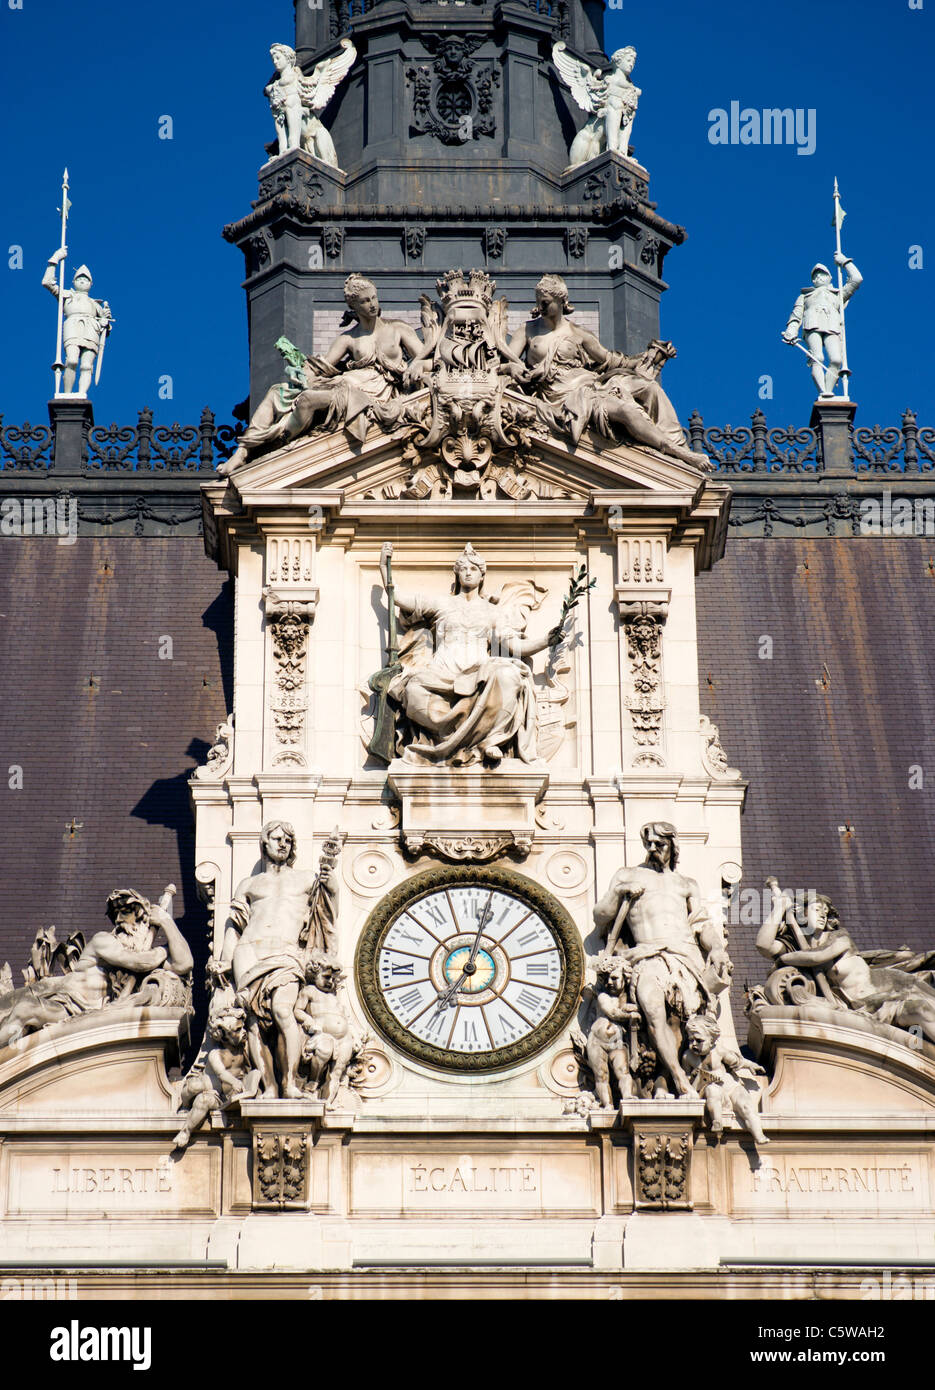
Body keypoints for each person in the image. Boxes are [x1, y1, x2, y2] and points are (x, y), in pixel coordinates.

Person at [380, 541, 559, 767]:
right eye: (463, 568)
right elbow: (398, 596)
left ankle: (490, 740)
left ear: (482, 576)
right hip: (442, 671)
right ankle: (455, 739)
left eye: (473, 569)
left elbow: (513, 646)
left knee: (508, 676)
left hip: (479, 674)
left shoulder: (493, 612)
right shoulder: (441, 603)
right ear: (456, 573)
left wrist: (546, 640)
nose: (468, 573)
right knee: (413, 691)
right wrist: (384, 568)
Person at [592, 823, 730, 1097]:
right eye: (649, 844)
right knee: (653, 1008)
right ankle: (680, 1080)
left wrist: (716, 948)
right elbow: (600, 915)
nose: (653, 849)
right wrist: (619, 892)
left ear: (673, 845)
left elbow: (701, 924)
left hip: (683, 954)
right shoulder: (627, 875)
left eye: (659, 844)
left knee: (681, 1019)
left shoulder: (686, 884)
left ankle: (667, 1080)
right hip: (646, 954)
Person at [509, 275, 703, 467]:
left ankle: (675, 450)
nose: (540, 308)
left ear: (561, 300)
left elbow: (611, 360)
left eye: (545, 302)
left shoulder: (578, 333)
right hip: (556, 396)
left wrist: (651, 355)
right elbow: (506, 361)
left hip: (587, 390)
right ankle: (674, 450)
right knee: (627, 409)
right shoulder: (527, 331)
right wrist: (512, 367)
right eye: (538, 302)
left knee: (642, 395)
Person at [216, 823, 339, 1099]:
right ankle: (269, 1086)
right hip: (249, 951)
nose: (282, 843)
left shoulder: (306, 879)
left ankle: (290, 1083)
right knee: (254, 1021)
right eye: (277, 838)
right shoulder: (248, 884)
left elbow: (328, 911)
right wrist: (224, 960)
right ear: (265, 843)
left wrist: (331, 884)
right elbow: (234, 927)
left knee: (284, 1011)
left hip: (286, 951)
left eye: (287, 839)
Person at [0, 889, 191, 1049]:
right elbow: (138, 962)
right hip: (62, 998)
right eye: (114, 914)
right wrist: (161, 952)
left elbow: (184, 964)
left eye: (125, 912)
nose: (118, 919)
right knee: (23, 1009)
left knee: (25, 1011)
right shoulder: (104, 940)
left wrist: (166, 921)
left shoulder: (145, 953)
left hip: (79, 1012)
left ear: (142, 915)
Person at [756, 886, 935, 1042]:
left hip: (893, 987)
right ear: (800, 914)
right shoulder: (796, 947)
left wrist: (783, 959)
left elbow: (816, 957)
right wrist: (779, 908)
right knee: (921, 1009)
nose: (822, 916)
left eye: (825, 913)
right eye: (816, 909)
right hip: (866, 1004)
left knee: (925, 1008)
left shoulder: (839, 937)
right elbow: (763, 945)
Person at [782, 254, 862, 397]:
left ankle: (829, 390)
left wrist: (844, 262)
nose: (818, 277)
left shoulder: (838, 295)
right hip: (812, 324)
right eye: (815, 276)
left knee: (836, 360)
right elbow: (796, 314)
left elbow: (857, 279)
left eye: (822, 274)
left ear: (830, 278)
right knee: (817, 357)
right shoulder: (805, 296)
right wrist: (791, 329)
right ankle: (823, 392)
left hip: (832, 325)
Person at [42, 250, 113, 395]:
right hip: (73, 327)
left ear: (91, 284)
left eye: (86, 279)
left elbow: (105, 326)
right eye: (79, 278)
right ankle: (67, 394)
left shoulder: (95, 304)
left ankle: (81, 393)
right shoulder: (67, 296)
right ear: (73, 282)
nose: (82, 281)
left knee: (87, 366)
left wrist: (105, 322)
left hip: (91, 329)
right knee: (72, 361)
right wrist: (55, 258)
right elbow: (47, 282)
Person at [294, 951, 357, 1104]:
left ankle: (329, 1102)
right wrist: (309, 1020)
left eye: (334, 979)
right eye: (326, 977)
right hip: (323, 1034)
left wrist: (354, 1034)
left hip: (344, 1038)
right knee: (324, 1051)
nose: (330, 982)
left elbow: (344, 1016)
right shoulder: (310, 991)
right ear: (314, 974)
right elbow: (297, 1010)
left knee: (338, 1071)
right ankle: (312, 1085)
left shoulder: (333, 996)